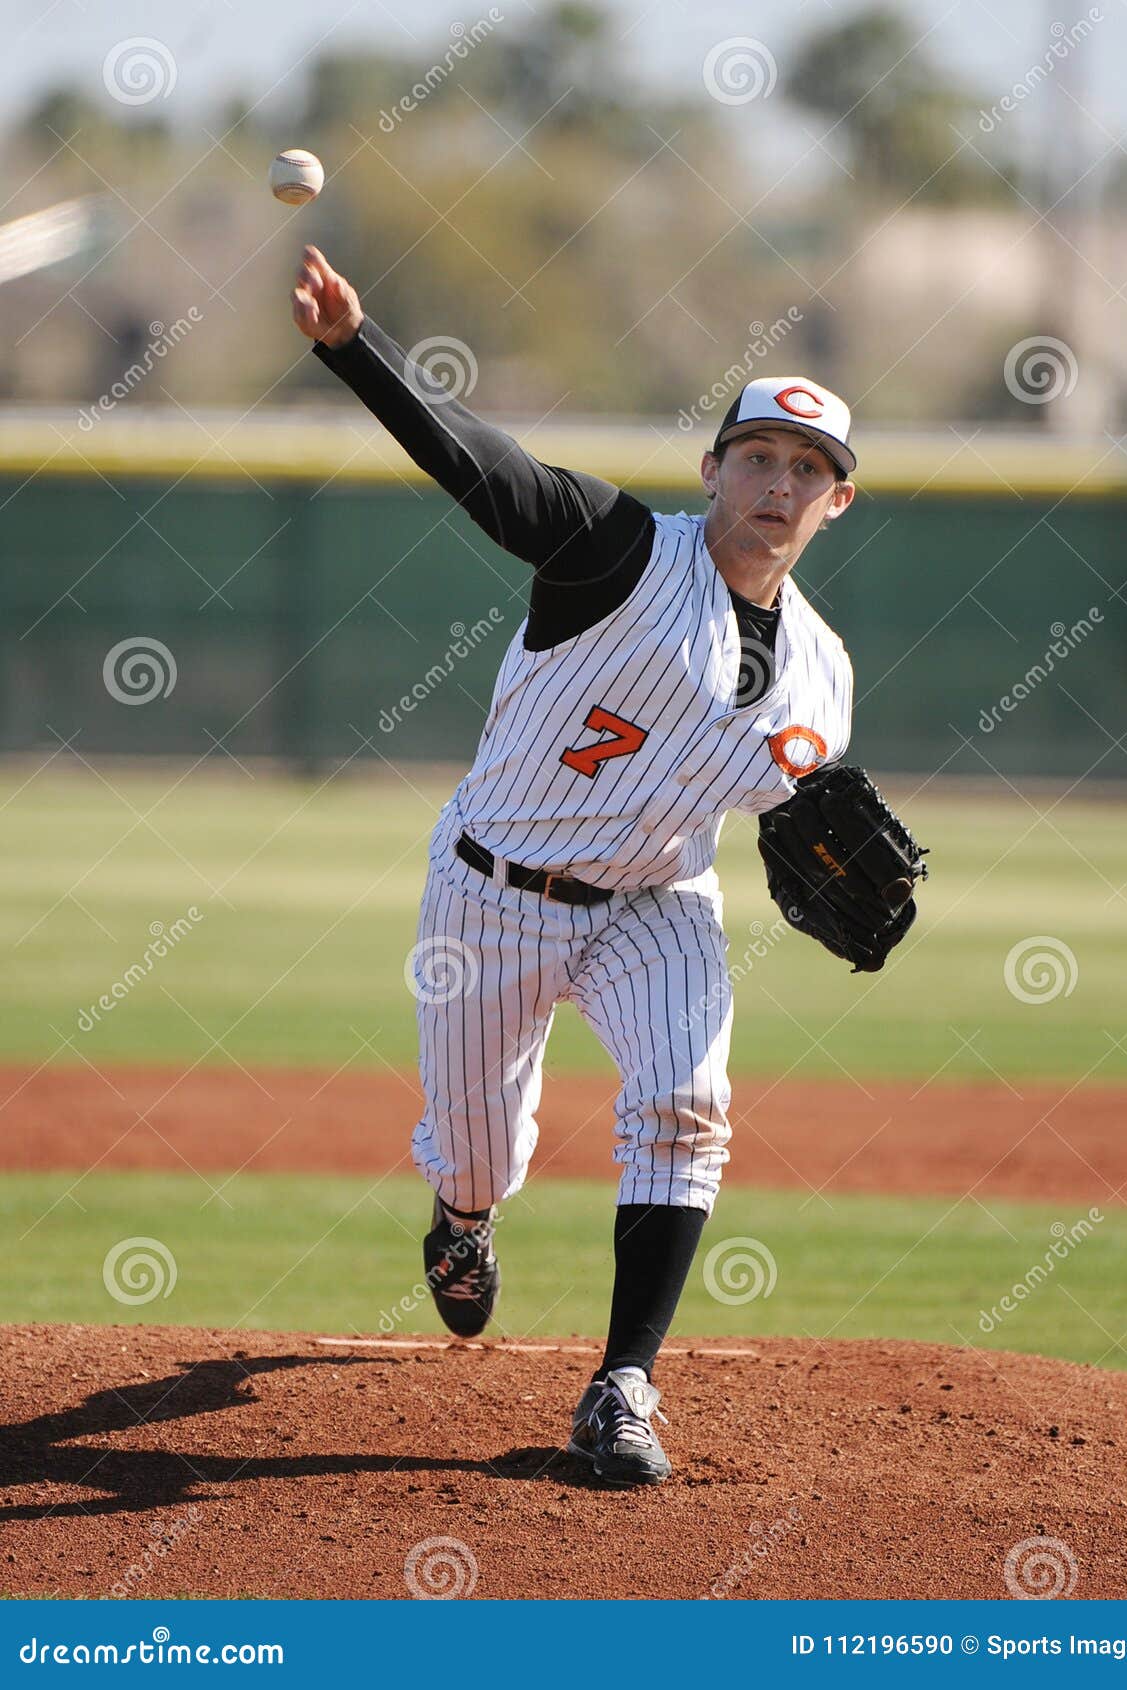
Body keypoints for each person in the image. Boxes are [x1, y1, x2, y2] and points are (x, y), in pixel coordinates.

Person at [292, 245, 856, 1487]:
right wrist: (355, 349)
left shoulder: (826, 675)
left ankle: (622, 1387)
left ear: (836, 504)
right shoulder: (610, 547)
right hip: (489, 891)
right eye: (758, 455)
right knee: (480, 1152)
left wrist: (821, 861)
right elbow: (473, 465)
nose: (778, 482)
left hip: (655, 903)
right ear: (714, 468)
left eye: (808, 469)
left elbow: (789, 818)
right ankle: (463, 1218)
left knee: (686, 1102)